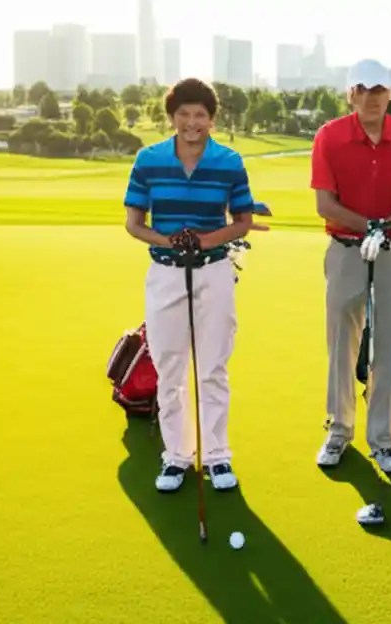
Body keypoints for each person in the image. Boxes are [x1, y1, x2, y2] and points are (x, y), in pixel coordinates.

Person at [122, 78, 267, 494]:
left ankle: (217, 455)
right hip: (166, 272)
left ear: (211, 119)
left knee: (212, 367)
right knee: (169, 366)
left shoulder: (229, 161)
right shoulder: (148, 160)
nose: (191, 122)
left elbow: (242, 221)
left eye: (199, 115)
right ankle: (177, 456)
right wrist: (169, 241)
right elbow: (134, 223)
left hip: (214, 271)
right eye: (183, 114)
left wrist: (204, 240)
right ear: (172, 117)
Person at [309, 58, 391, 478]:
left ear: (389, 94)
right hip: (346, 248)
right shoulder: (329, 136)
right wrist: (368, 227)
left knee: (390, 346)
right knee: (342, 342)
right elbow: (325, 203)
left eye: (379, 90)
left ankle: (383, 439)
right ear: (351, 94)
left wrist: (384, 228)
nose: (371, 97)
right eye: (363, 89)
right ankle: (339, 430)